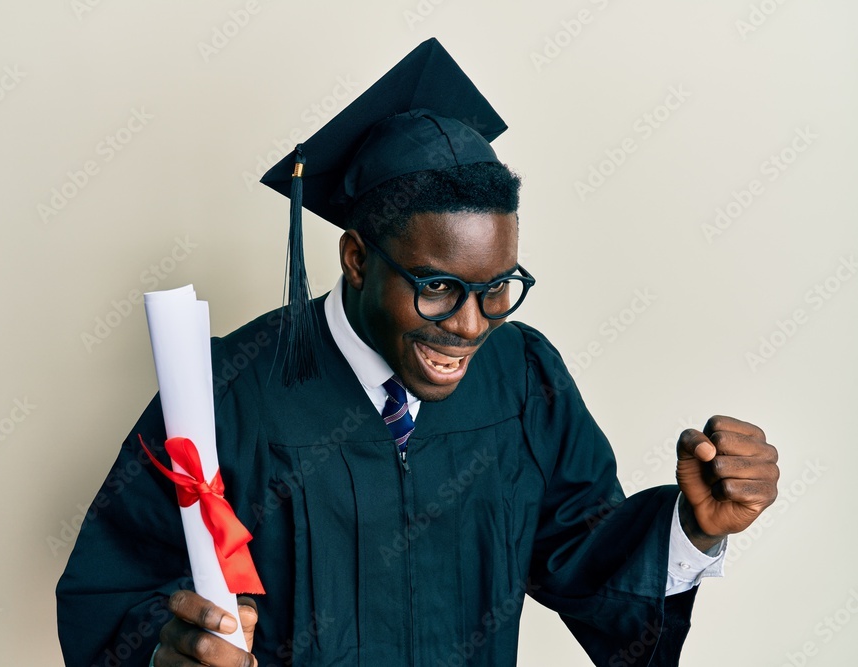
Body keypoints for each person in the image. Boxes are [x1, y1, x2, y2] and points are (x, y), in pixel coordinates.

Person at [56, 38, 779, 667]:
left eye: (498, 287)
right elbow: (115, 588)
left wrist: (690, 528)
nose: (470, 324)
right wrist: (165, 651)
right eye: (438, 287)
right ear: (357, 258)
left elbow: (587, 556)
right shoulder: (230, 393)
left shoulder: (522, 378)